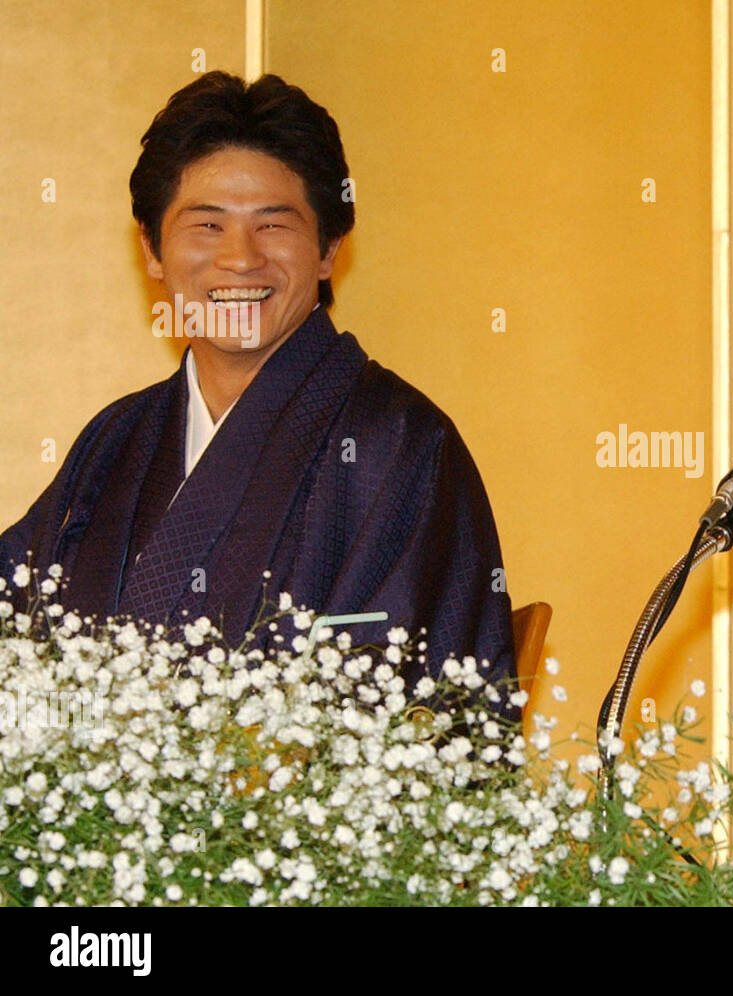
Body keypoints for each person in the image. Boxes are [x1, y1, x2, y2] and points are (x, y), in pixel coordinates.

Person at [0, 72, 515, 694]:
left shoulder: (399, 445)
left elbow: (407, 705)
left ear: (329, 249)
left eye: (274, 224)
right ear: (152, 251)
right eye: (207, 225)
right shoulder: (118, 439)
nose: (240, 257)